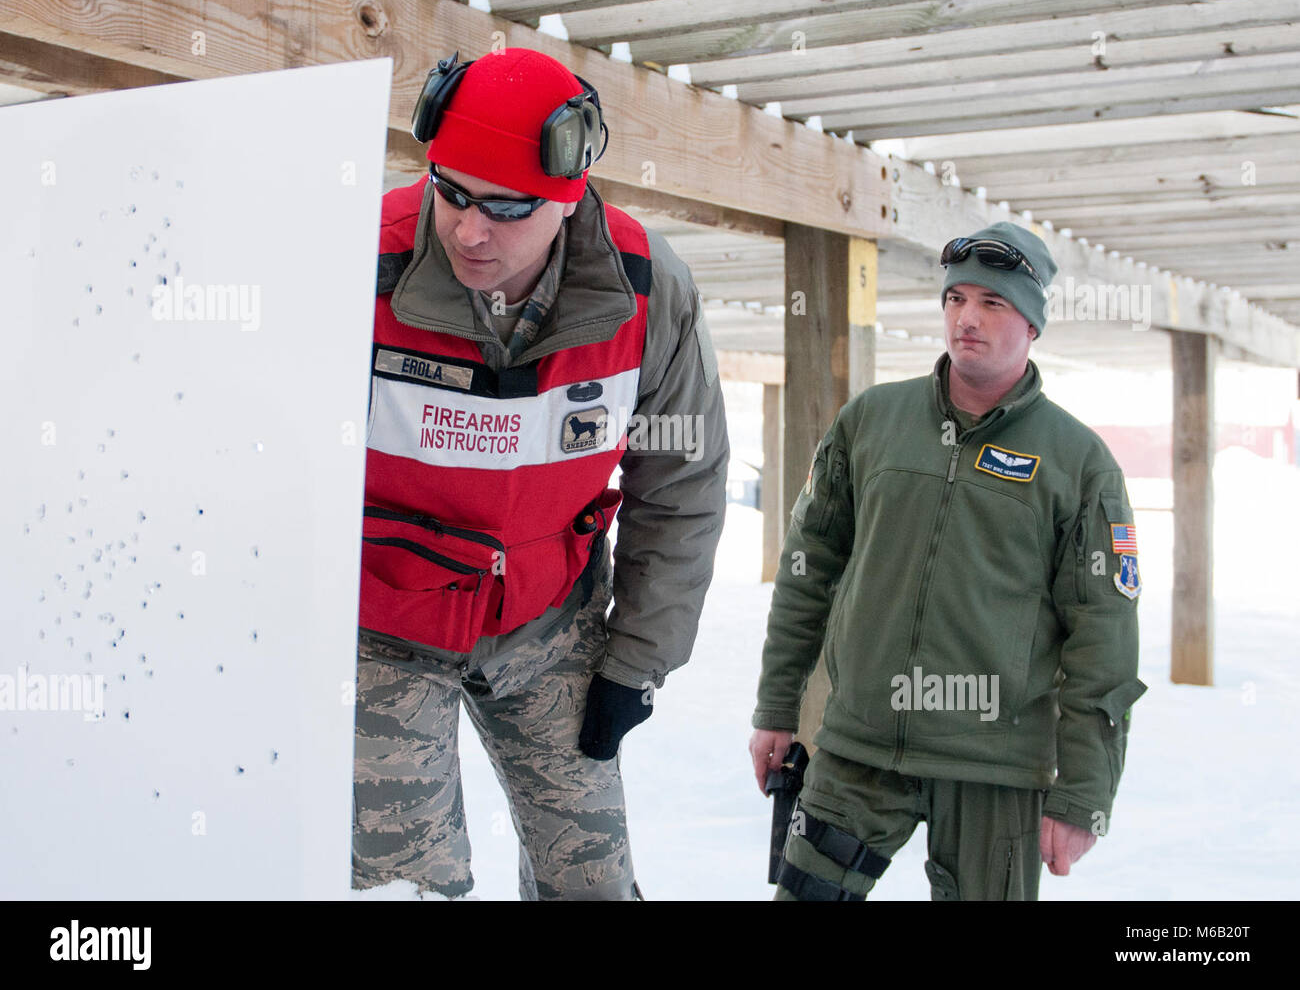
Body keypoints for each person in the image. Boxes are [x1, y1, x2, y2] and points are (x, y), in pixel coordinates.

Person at [353, 48, 728, 900]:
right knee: (402, 885)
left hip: (545, 621)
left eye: (507, 207)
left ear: (567, 198)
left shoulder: (644, 291)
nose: (468, 230)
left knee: (591, 881)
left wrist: (638, 660)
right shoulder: (360, 267)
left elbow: (683, 485)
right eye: (450, 191)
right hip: (384, 623)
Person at [749, 222, 1146, 901]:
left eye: (992, 303)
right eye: (955, 298)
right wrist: (776, 705)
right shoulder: (871, 421)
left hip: (995, 766)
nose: (966, 318)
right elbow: (807, 571)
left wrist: (1083, 792)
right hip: (859, 749)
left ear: (1032, 323)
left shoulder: (1078, 463)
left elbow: (1103, 637)